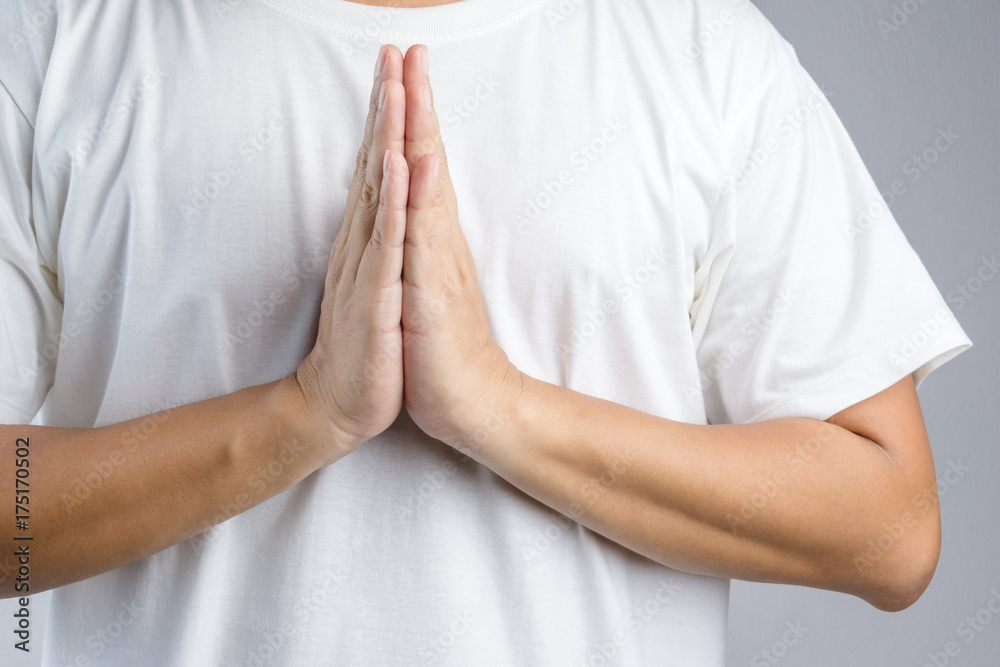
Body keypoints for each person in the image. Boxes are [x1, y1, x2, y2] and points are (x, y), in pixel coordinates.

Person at [0, 0, 971, 664]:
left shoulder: (700, 48)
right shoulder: (57, 44)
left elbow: (886, 527)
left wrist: (497, 409)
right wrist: (299, 420)